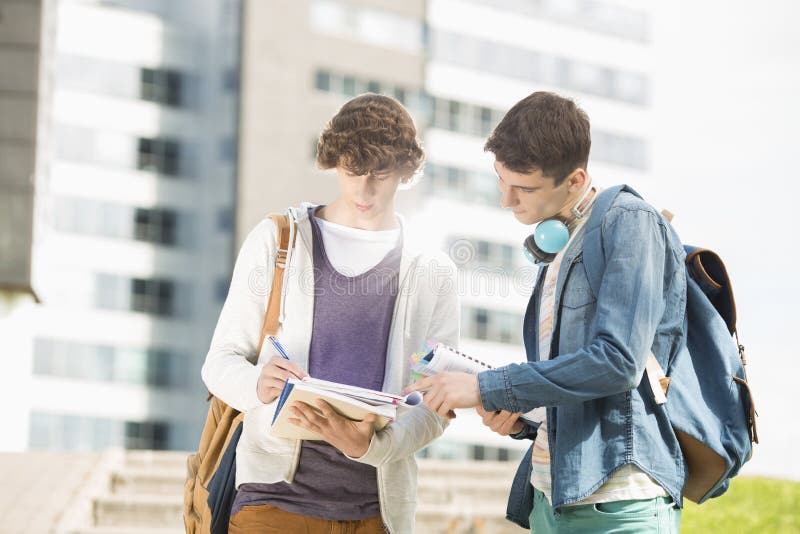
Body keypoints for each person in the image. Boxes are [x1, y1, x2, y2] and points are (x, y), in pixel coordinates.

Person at [404, 91, 685, 533]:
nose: (506, 200)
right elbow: (570, 384)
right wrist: (518, 416)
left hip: (615, 505)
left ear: (575, 180)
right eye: (501, 180)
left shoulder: (630, 223)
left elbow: (617, 363)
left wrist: (487, 385)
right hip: (548, 499)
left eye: (523, 188)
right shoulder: (557, 245)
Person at [202, 93, 459, 534]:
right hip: (273, 505)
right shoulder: (278, 241)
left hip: (377, 515)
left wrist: (371, 447)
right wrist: (258, 383)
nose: (364, 188)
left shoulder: (432, 270)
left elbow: (435, 403)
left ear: (404, 169)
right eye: (352, 170)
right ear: (333, 160)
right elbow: (220, 362)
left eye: (380, 173)